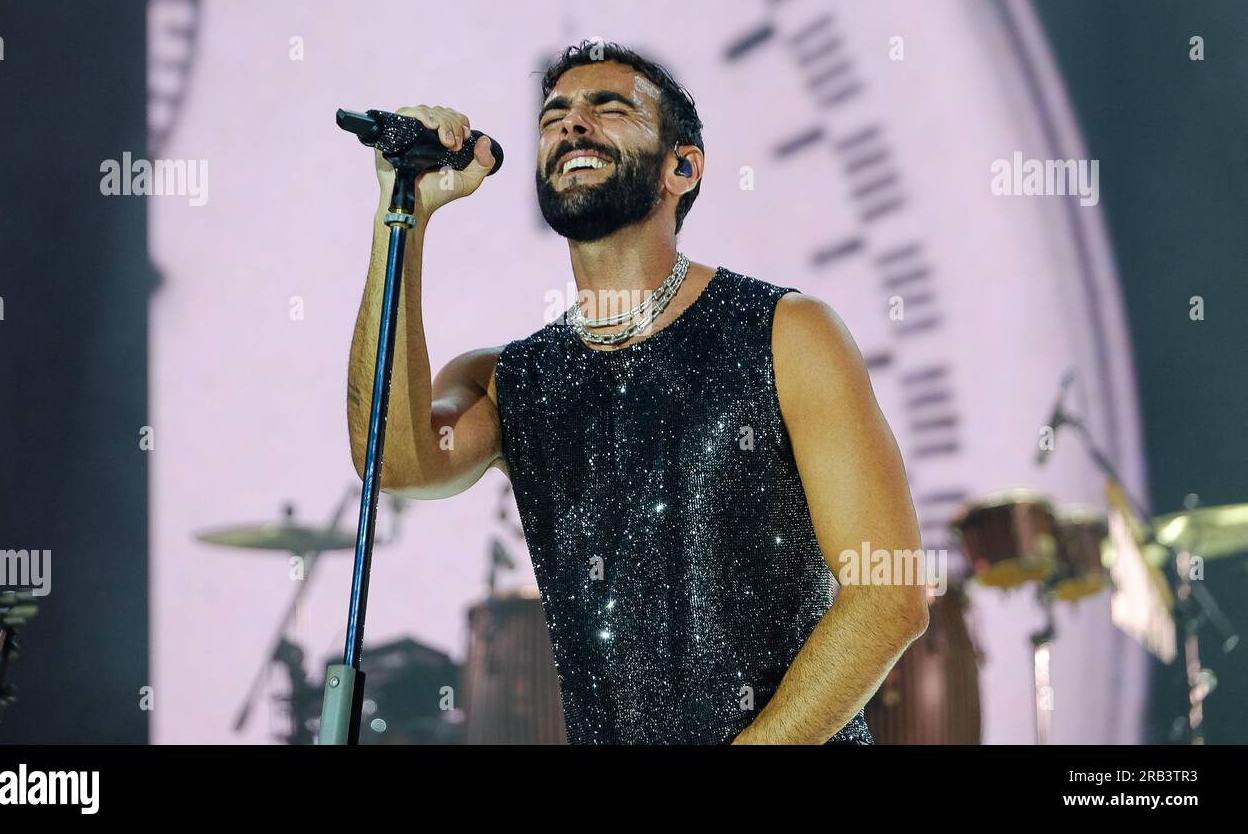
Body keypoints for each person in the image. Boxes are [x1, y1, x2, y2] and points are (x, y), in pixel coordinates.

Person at [346, 41, 928, 744]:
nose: (572, 125)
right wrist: (401, 212)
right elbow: (396, 461)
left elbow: (889, 594)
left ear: (682, 167)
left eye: (608, 108)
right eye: (554, 115)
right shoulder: (513, 380)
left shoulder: (788, 334)